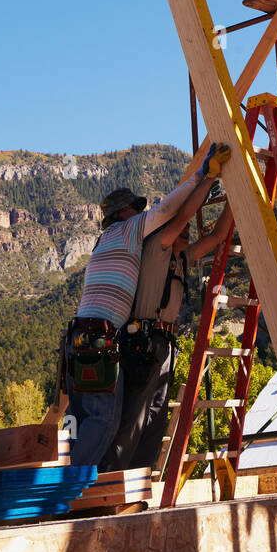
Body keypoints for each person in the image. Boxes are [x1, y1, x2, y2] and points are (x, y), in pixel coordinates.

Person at [64, 143, 228, 467]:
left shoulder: (110, 242)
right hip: (102, 336)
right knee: (109, 422)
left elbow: (189, 227)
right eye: (136, 209)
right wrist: (203, 176)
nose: (142, 214)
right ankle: (74, 494)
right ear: (122, 214)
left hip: (84, 336)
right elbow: (169, 213)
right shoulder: (127, 232)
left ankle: (86, 488)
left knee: (88, 418)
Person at [100, 165, 234, 472]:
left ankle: (138, 486)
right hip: (140, 341)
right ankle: (112, 488)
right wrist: (208, 176)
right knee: (131, 420)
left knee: (154, 420)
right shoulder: (154, 246)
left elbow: (217, 236)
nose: (186, 233)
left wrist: (236, 199)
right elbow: (183, 216)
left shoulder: (179, 259)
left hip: (163, 344)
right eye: (181, 231)